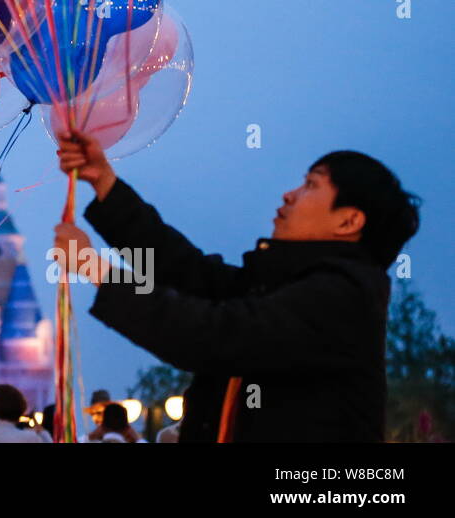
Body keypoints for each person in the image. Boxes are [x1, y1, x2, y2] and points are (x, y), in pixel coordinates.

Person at [53, 133, 420, 443]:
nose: (289, 195)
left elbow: (214, 335)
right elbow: (186, 272)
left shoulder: (343, 295)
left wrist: (93, 266)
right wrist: (105, 185)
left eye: (311, 185)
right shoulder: (278, 284)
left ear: (349, 220)